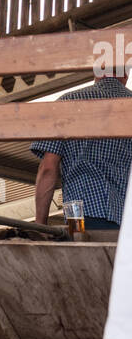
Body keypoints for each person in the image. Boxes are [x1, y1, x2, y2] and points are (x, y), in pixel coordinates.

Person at [32, 71, 132, 229]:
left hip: (84, 216)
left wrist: (40, 224)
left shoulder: (67, 103)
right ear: (126, 73)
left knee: (84, 252)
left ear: (96, 70)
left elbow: (48, 168)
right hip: (127, 221)